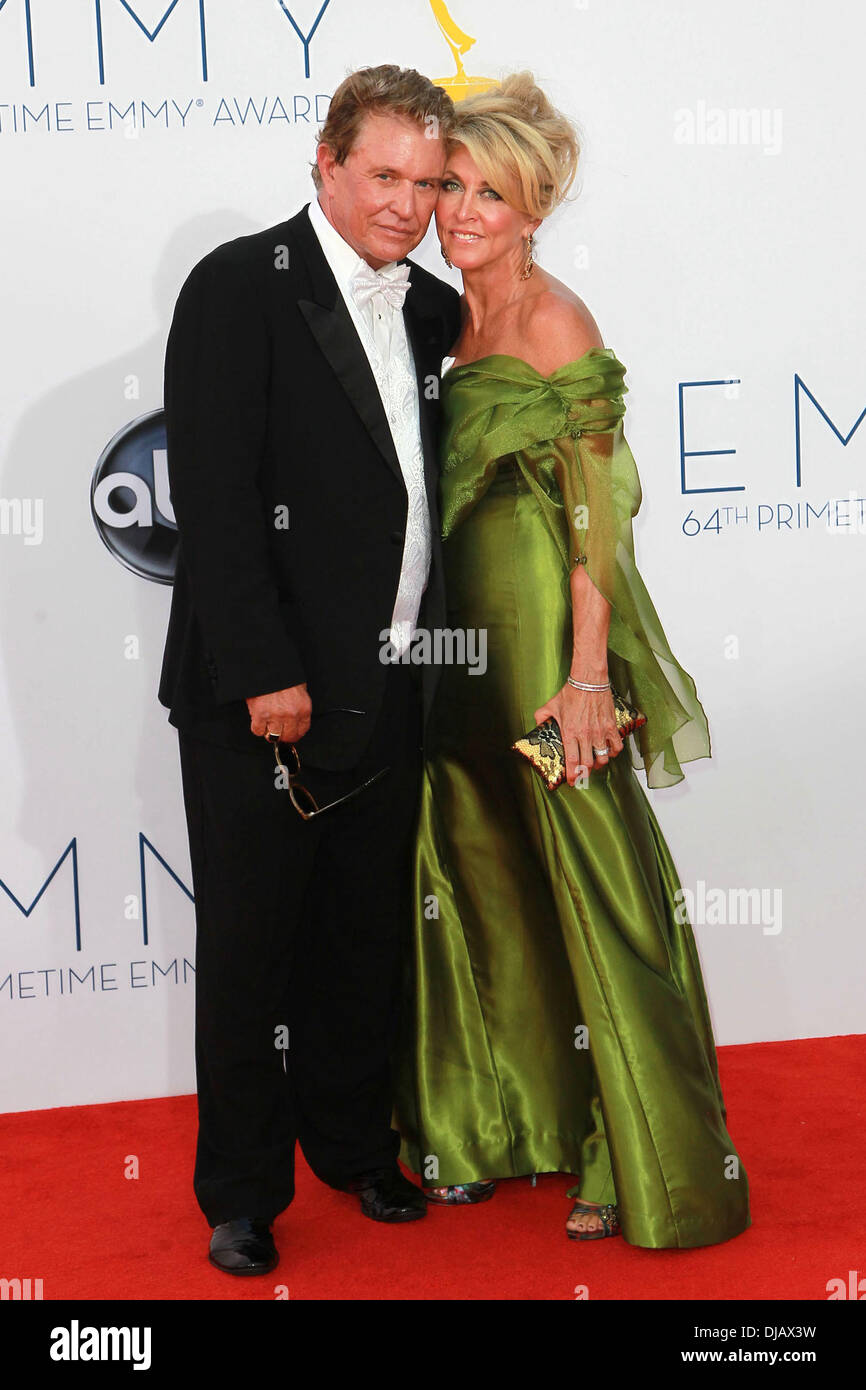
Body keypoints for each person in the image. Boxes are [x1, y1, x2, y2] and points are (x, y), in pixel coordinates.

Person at [393, 73, 752, 1247]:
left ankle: (631, 1141)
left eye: (486, 194)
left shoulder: (555, 322)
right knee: (475, 863)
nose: (459, 212)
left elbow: (600, 517)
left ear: (534, 207)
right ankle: (499, 1118)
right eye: (450, 187)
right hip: (457, 638)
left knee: (590, 869)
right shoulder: (442, 320)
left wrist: (588, 674)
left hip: (547, 626)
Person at [158, 65, 461, 1274]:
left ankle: (351, 1146)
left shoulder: (433, 312)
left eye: (428, 182)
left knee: (359, 936)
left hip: (389, 684)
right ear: (325, 163)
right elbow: (216, 504)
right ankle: (240, 1192)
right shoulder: (240, 287)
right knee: (250, 948)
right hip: (262, 695)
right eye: (384, 174)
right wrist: (264, 671)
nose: (407, 203)